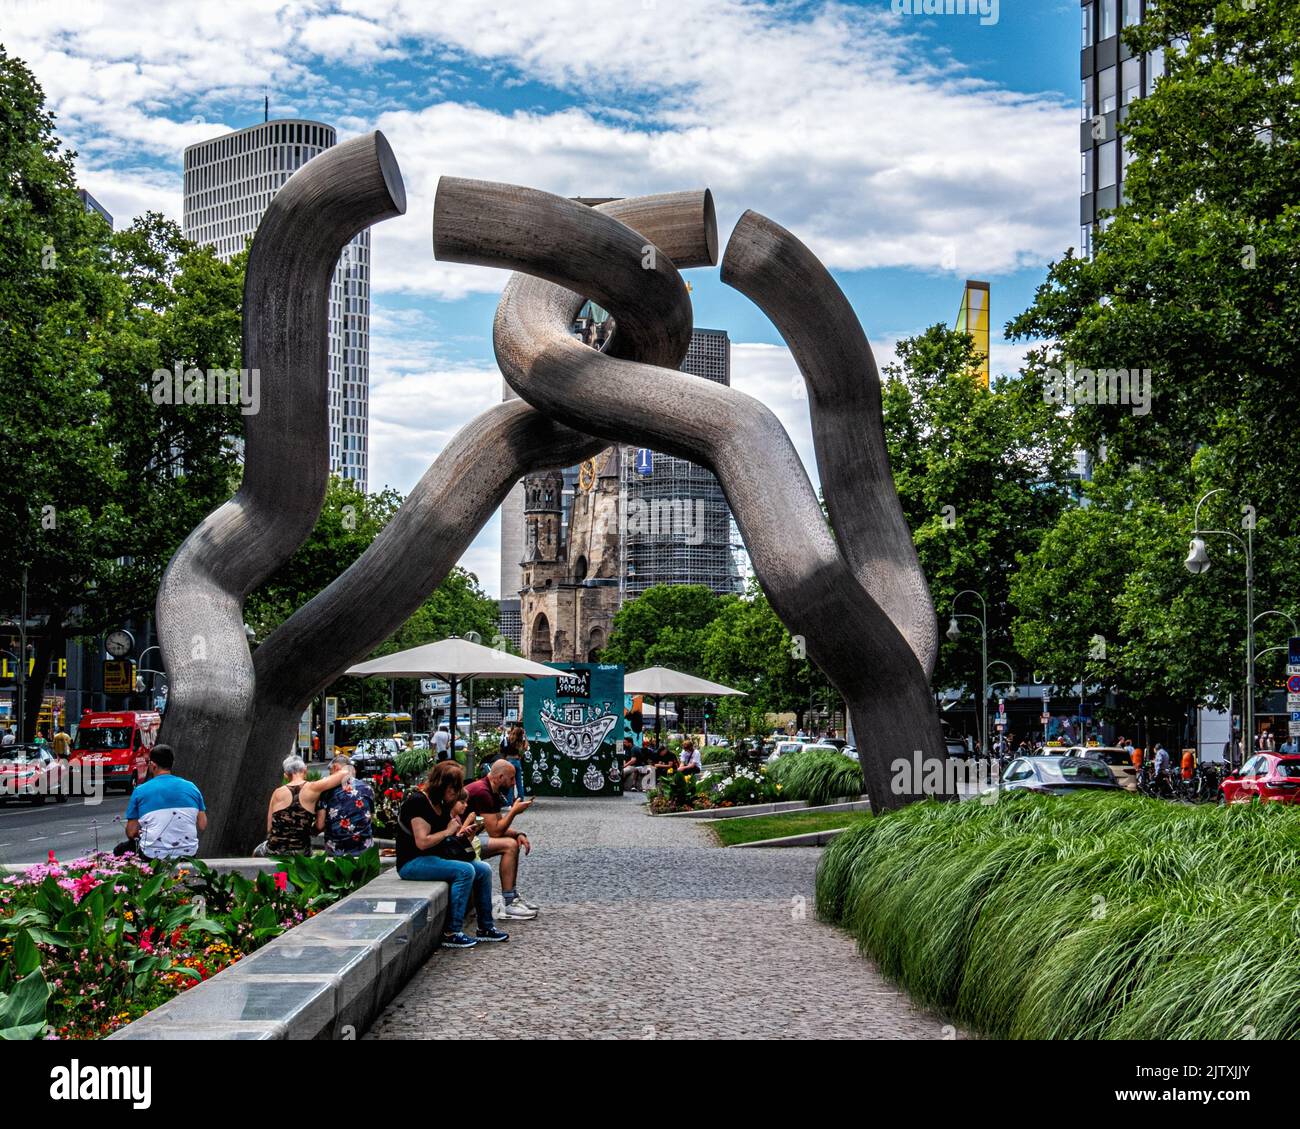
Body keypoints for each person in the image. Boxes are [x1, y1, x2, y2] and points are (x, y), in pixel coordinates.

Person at [395, 761, 507, 948]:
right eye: (453, 790)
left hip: (435, 857)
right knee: (464, 871)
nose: (455, 794)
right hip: (412, 862)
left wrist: (463, 833)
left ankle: (485, 927)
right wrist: (448, 832)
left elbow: (448, 834)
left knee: (484, 869)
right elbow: (422, 842)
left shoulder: (442, 803)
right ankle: (452, 931)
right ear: (442, 786)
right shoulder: (418, 802)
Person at [465, 761, 538, 920]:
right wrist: (514, 812)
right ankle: (509, 901)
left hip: (470, 839)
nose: (513, 783)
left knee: (513, 841)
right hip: (460, 843)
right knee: (509, 846)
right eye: (511, 779)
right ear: (499, 777)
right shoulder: (482, 792)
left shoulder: (491, 790)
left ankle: (511, 895)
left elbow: (497, 824)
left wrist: (518, 833)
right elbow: (496, 831)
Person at [122, 745, 207, 860]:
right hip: (188, 854)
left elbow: (131, 832)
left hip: (153, 856)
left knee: (119, 850)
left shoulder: (140, 791)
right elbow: (202, 824)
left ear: (153, 765)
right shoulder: (192, 787)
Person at [265, 755, 349, 856]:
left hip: (275, 850)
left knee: (257, 851)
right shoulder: (313, 788)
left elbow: (269, 828)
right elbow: (346, 772)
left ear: (286, 775)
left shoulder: (276, 793)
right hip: (301, 851)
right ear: (305, 770)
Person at [316, 754, 376, 856]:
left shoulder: (326, 791)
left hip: (337, 850)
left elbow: (320, 826)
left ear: (335, 768)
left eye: (330, 773)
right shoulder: (367, 788)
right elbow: (371, 817)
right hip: (364, 849)